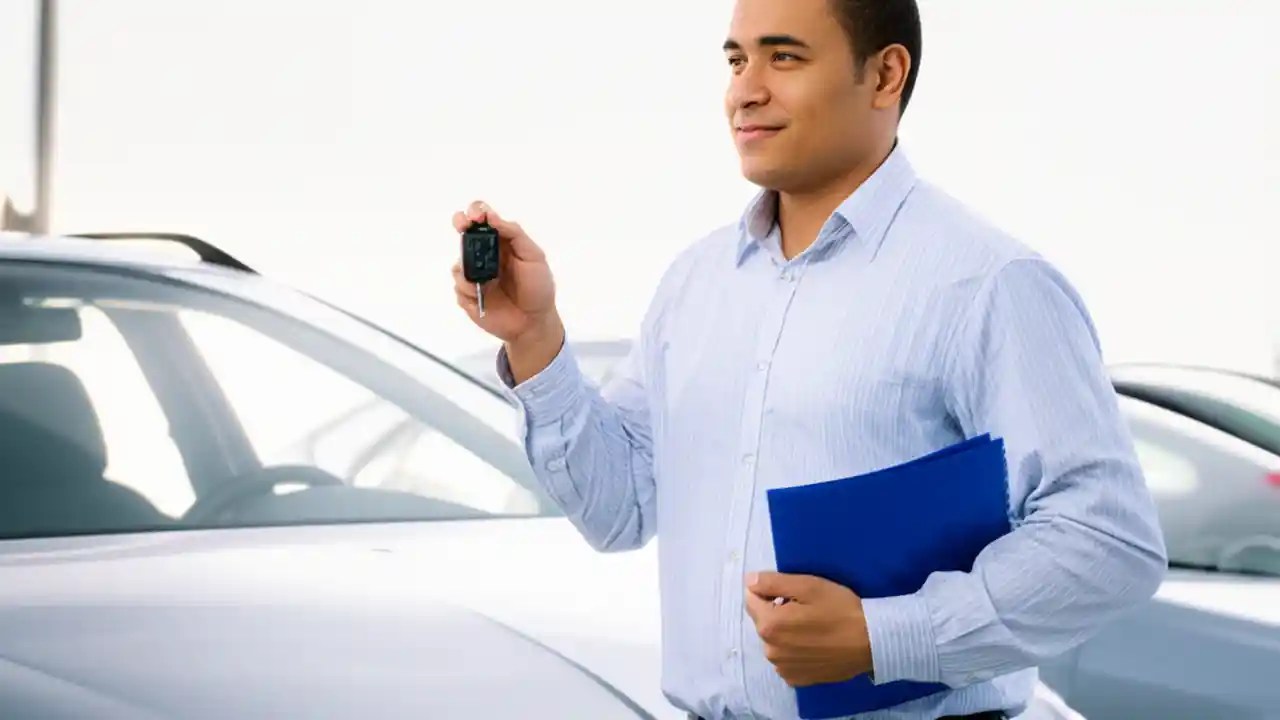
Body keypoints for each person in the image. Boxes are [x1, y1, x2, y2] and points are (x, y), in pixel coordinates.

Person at [449, 0, 1168, 717]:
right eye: (736, 60)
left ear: (885, 75)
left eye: (784, 57)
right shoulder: (697, 283)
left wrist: (884, 637)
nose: (745, 89)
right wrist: (534, 339)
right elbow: (620, 511)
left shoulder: (987, 282)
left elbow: (1107, 539)